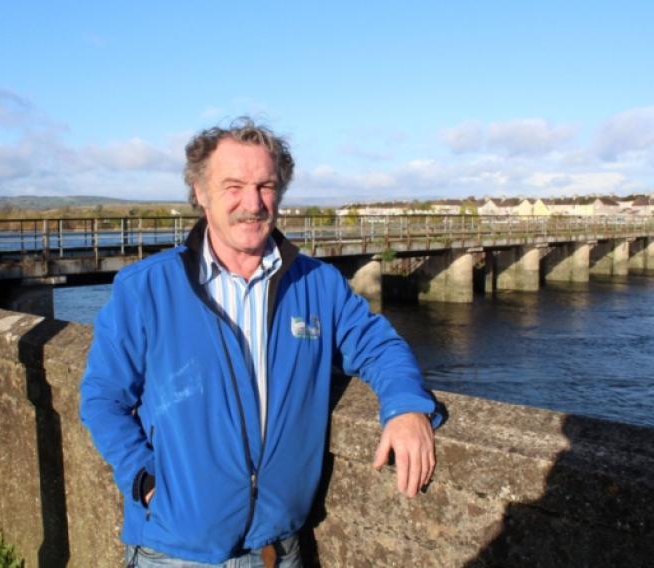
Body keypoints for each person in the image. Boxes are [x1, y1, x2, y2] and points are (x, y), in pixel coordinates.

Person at [80, 118, 442, 567]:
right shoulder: (146, 288)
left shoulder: (318, 284)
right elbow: (102, 398)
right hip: (177, 550)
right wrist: (146, 481)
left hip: (279, 545)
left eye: (265, 186)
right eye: (233, 186)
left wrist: (406, 407)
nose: (252, 204)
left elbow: (378, 345)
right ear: (200, 191)